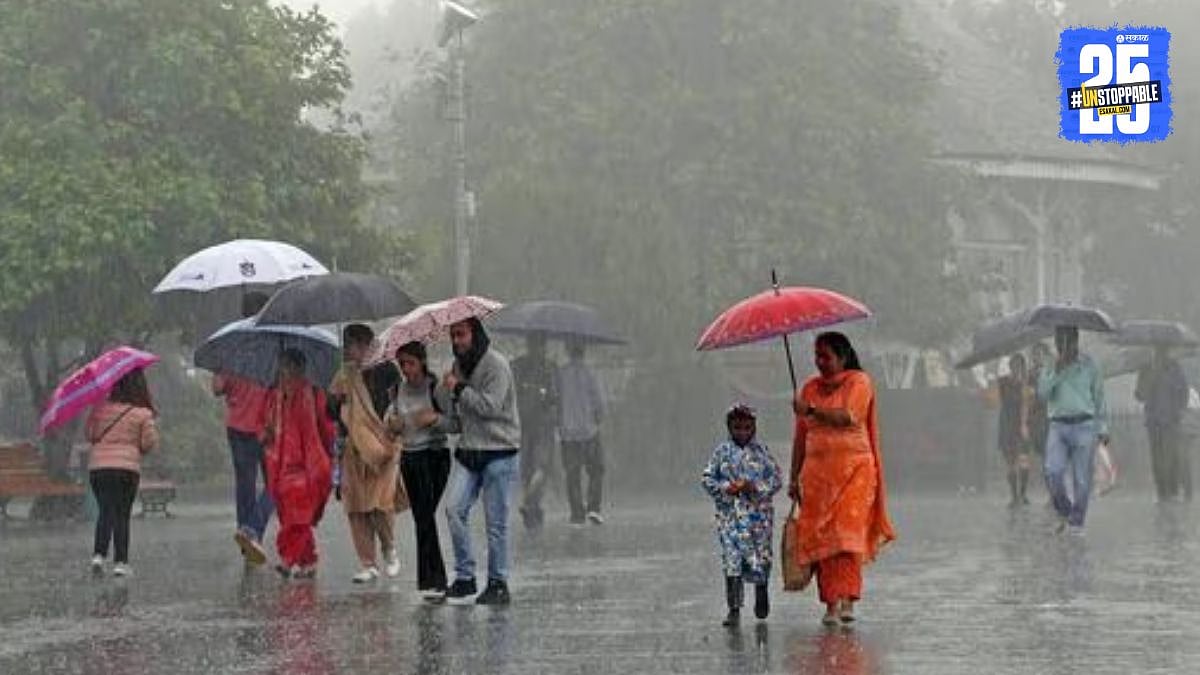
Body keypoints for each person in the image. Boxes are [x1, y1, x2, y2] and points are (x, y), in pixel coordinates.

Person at [789, 332, 895, 627]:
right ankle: (830, 605)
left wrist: (810, 410)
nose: (820, 362)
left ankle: (848, 599)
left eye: (826, 356)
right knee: (823, 540)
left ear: (843, 356)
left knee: (846, 538)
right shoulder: (808, 388)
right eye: (817, 356)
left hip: (855, 474)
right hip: (817, 478)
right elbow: (801, 437)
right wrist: (793, 477)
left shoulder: (859, 382)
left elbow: (849, 416)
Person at [432, 317, 521, 605]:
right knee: (454, 509)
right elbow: (459, 421)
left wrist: (459, 389)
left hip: (499, 451)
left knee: (496, 523)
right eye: (453, 336)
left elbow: (489, 407)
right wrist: (440, 405)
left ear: (475, 334)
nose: (457, 341)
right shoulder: (458, 368)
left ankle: (498, 582)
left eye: (462, 334)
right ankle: (465, 576)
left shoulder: (496, 365)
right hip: (470, 452)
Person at [330, 324, 403, 584]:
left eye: (350, 345)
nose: (347, 351)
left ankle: (390, 549)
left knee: (380, 503)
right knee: (357, 507)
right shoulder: (343, 376)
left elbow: (398, 406)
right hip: (353, 449)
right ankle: (367, 562)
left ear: (364, 345)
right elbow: (332, 413)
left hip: (383, 446)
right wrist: (336, 400)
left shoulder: (388, 370)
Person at [701, 404, 782, 627]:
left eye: (747, 427)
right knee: (732, 560)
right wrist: (727, 489)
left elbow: (776, 480)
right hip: (731, 517)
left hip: (759, 519)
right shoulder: (721, 453)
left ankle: (761, 591)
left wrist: (755, 488)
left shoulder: (762, 453)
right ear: (729, 427)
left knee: (761, 557)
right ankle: (734, 608)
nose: (742, 433)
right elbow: (707, 479)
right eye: (737, 427)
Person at [386, 341, 454, 601]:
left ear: (422, 362)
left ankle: (436, 581)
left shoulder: (435, 388)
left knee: (425, 517)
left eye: (410, 363)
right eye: (401, 363)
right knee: (422, 518)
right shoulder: (396, 391)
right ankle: (432, 581)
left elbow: (454, 423)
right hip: (410, 458)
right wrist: (392, 424)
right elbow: (389, 425)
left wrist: (434, 419)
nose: (406, 369)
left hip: (435, 457)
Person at [262, 349, 335, 579]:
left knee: (298, 517)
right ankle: (308, 560)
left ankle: (288, 558)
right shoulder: (274, 397)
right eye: (283, 368)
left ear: (300, 369)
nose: (286, 374)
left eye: (290, 368)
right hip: (280, 466)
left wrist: (330, 456)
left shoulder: (313, 394)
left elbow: (326, 428)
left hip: (308, 467)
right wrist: (267, 432)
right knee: (289, 515)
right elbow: (265, 428)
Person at [213, 292, 274, 565]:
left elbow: (217, 388)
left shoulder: (231, 346)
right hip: (268, 426)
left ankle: (246, 538)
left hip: (237, 425)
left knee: (244, 484)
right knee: (277, 483)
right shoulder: (273, 345)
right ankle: (252, 530)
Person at [87, 369, 160, 577]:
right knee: (122, 514)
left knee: (105, 511)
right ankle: (120, 562)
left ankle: (98, 555)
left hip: (99, 469)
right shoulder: (142, 413)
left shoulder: (99, 409)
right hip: (126, 470)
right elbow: (149, 443)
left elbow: (90, 434)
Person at [1037, 326, 1108, 535]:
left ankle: (1077, 524)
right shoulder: (1051, 364)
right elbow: (1042, 394)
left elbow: (1099, 397)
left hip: (1084, 426)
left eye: (1068, 342)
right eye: (1060, 343)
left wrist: (1103, 428)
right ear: (1057, 344)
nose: (1064, 347)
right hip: (1058, 426)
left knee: (1082, 480)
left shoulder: (1089, 365)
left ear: (1076, 342)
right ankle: (1066, 511)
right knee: (1053, 472)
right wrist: (1056, 372)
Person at [510, 335, 558, 531]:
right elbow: (554, 397)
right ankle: (530, 503)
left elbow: (510, 394)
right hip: (543, 423)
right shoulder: (549, 367)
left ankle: (532, 508)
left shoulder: (517, 365)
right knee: (542, 467)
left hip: (522, 423)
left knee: (528, 468)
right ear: (543, 346)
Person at [557, 339, 607, 525]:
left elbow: (557, 401)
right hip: (589, 431)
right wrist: (598, 417)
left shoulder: (560, 374)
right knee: (596, 470)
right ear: (584, 351)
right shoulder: (591, 373)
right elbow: (600, 402)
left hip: (568, 433)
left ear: (568, 350)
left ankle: (577, 512)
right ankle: (593, 508)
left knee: (573, 474)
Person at [1135, 346, 1189, 503]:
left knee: (1171, 456)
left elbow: (1183, 391)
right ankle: (1161, 491)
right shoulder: (1146, 369)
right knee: (1157, 458)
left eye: (1162, 350)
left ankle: (1172, 490)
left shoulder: (1175, 368)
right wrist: (1151, 378)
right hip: (1153, 421)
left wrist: (1180, 410)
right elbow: (1140, 394)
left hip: (1171, 420)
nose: (1160, 354)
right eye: (1158, 351)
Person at [995, 353, 1033, 507]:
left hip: (1021, 423)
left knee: (1023, 459)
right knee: (1010, 461)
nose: (1017, 368)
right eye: (1014, 365)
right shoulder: (1004, 382)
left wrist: (1024, 425)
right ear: (1010, 366)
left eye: (1020, 365)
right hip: (1007, 423)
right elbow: (997, 397)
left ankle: (1023, 494)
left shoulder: (1027, 383)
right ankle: (1014, 496)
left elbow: (1027, 403)